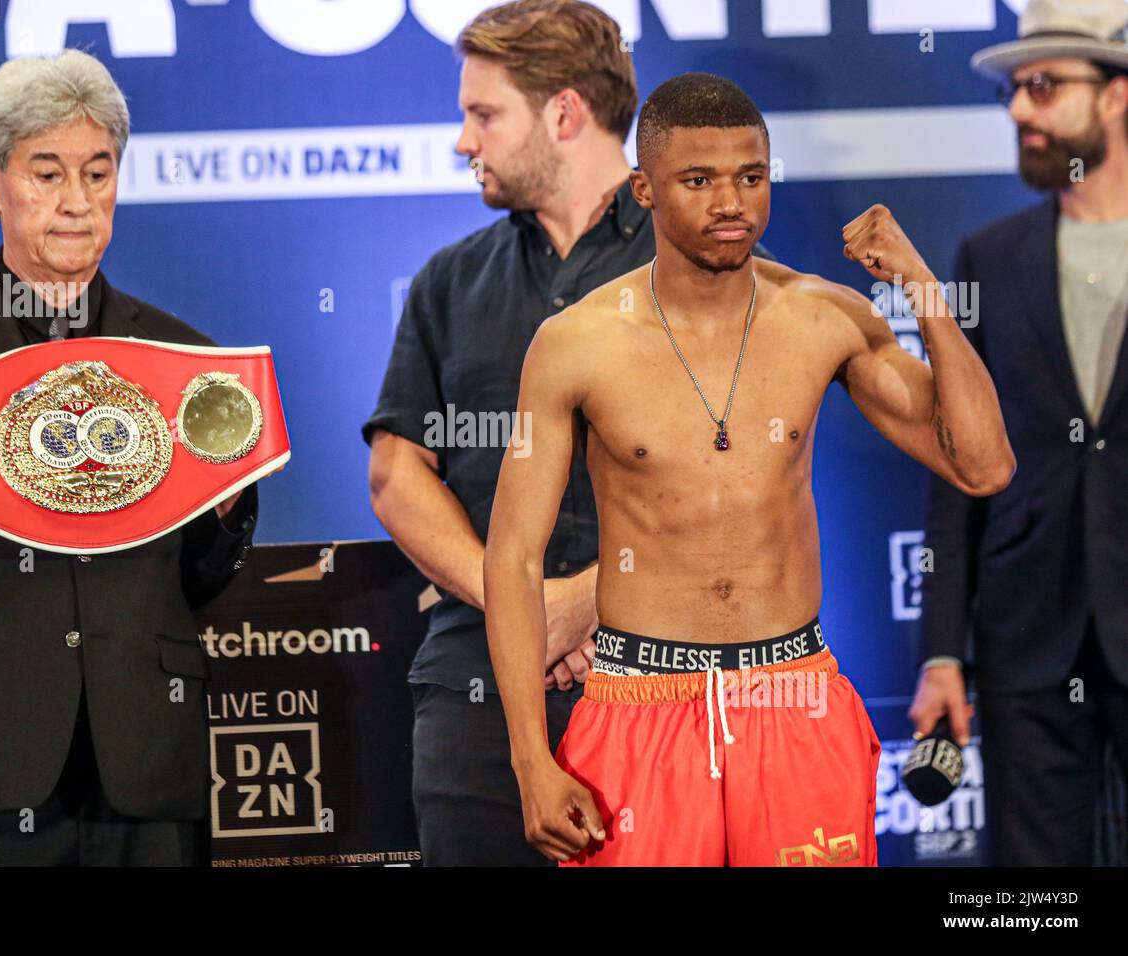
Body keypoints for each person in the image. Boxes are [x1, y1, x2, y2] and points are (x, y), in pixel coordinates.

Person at [484, 71, 1015, 866]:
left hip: (793, 693)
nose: (730, 201)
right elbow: (515, 557)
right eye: (698, 180)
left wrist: (922, 287)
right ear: (645, 191)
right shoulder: (577, 344)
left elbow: (982, 466)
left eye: (751, 177)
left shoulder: (825, 317)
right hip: (638, 706)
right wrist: (530, 757)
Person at [363, 0, 771, 866]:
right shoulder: (447, 283)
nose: (463, 140)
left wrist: (591, 596)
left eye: (483, 114)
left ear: (563, 112)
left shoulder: (703, 266)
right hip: (475, 698)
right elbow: (398, 477)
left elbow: (752, 471)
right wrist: (518, 603)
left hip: (672, 675)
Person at [0, 49, 258, 866]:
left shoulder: (184, 361)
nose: (76, 204)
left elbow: (200, 580)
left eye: (98, 175)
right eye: (48, 174)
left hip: (146, 766)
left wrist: (225, 512)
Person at [910, 0, 1128, 865]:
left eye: (1043, 86)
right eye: (1013, 90)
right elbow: (957, 468)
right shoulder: (987, 257)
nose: (1019, 110)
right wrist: (941, 655)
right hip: (1026, 636)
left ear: (1115, 96)